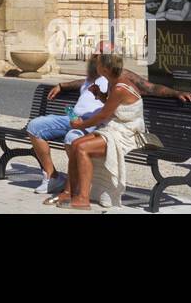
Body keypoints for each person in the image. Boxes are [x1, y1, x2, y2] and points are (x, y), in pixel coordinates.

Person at [50, 52, 146, 211]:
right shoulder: (112, 82)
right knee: (75, 144)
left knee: (82, 148)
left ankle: (83, 199)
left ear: (106, 69)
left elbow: (103, 115)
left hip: (127, 132)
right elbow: (113, 106)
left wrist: (79, 126)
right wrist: (100, 95)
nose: (95, 65)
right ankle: (70, 191)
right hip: (115, 126)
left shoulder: (120, 87)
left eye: (99, 63)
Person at [25, 55, 107, 194]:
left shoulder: (115, 80)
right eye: (95, 55)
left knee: (72, 138)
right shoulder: (92, 79)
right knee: (34, 126)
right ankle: (53, 177)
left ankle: (79, 182)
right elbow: (82, 82)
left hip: (93, 123)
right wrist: (62, 85)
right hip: (73, 118)